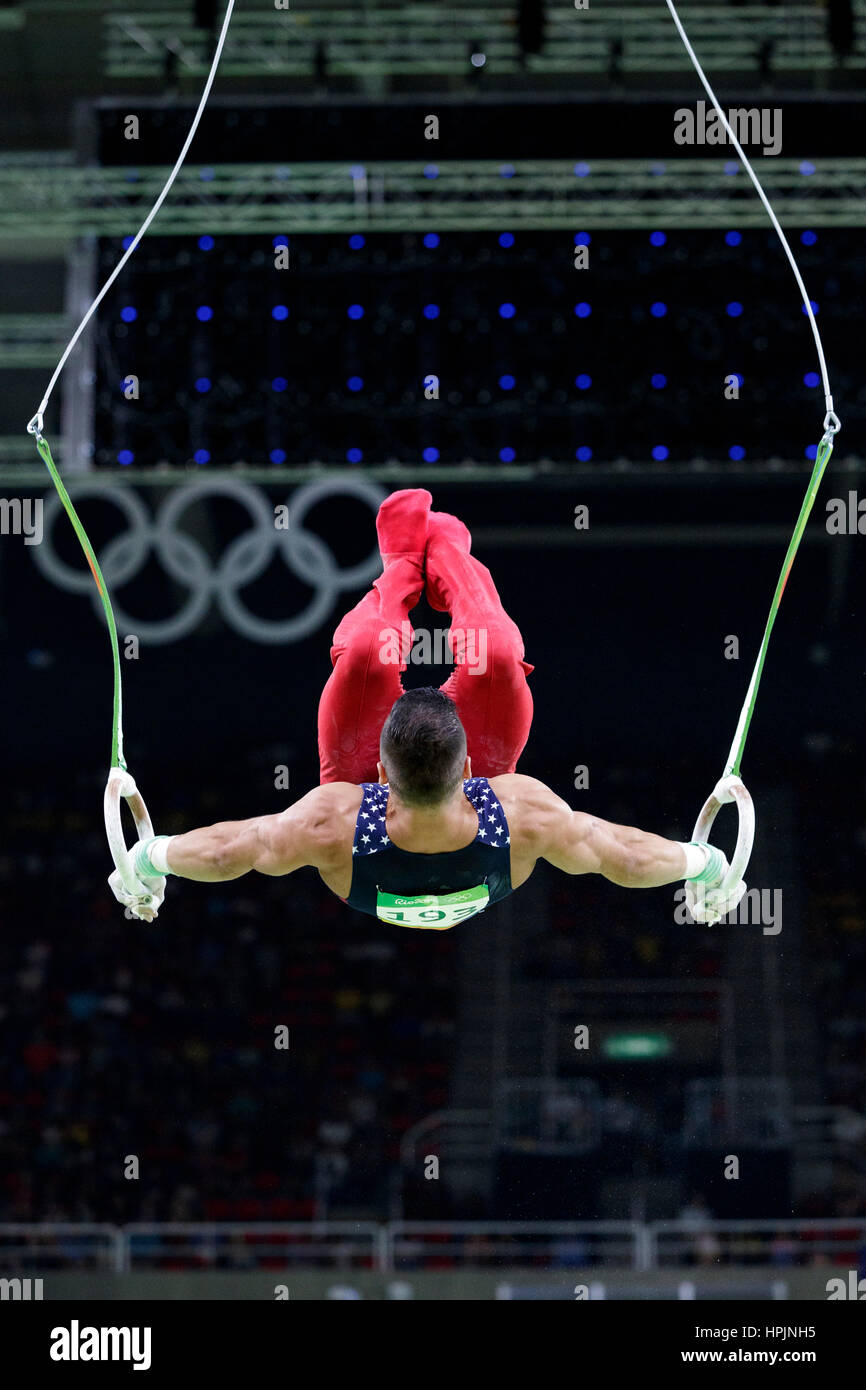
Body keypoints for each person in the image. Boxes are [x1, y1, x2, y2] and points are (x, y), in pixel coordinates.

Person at [111, 490, 745, 929]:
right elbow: (624, 855)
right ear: (470, 761)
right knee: (495, 653)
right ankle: (446, 554)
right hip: (469, 807)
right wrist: (706, 864)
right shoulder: (518, 809)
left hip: (365, 803)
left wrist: (148, 859)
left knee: (361, 653)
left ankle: (401, 568)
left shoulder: (333, 817)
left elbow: (232, 851)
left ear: (380, 772)